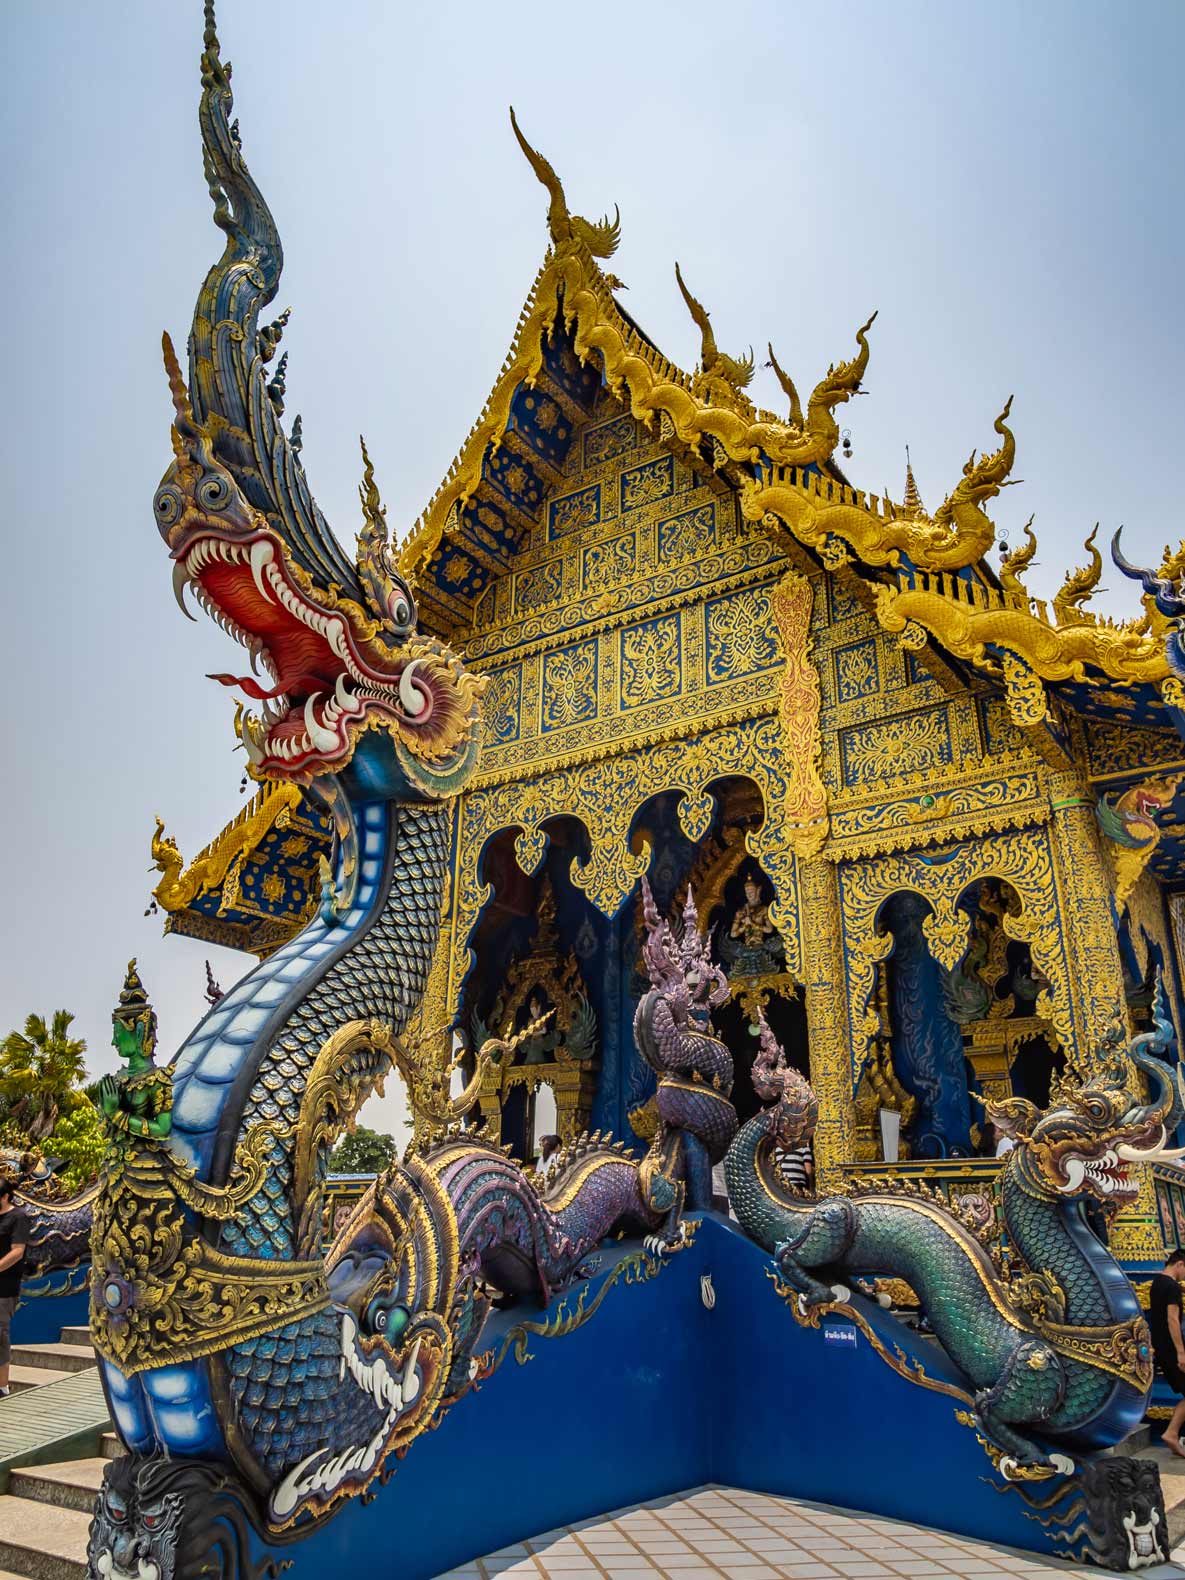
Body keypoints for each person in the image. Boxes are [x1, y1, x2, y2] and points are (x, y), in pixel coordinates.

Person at [1149, 1247, 1185, 1458]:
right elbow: (1172, 1320)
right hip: (1172, 1350)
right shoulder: (1171, 1287)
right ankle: (1171, 1433)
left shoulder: (1157, 1283)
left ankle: (1172, 1433)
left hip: (1162, 1347)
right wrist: (1181, 1353)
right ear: (1179, 1264)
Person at [0, 1175, 30, 1399]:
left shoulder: (18, 1217)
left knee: (0, 1334)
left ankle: (2, 1386)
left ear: (5, 1196)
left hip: (4, 1287)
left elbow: (17, 1251)